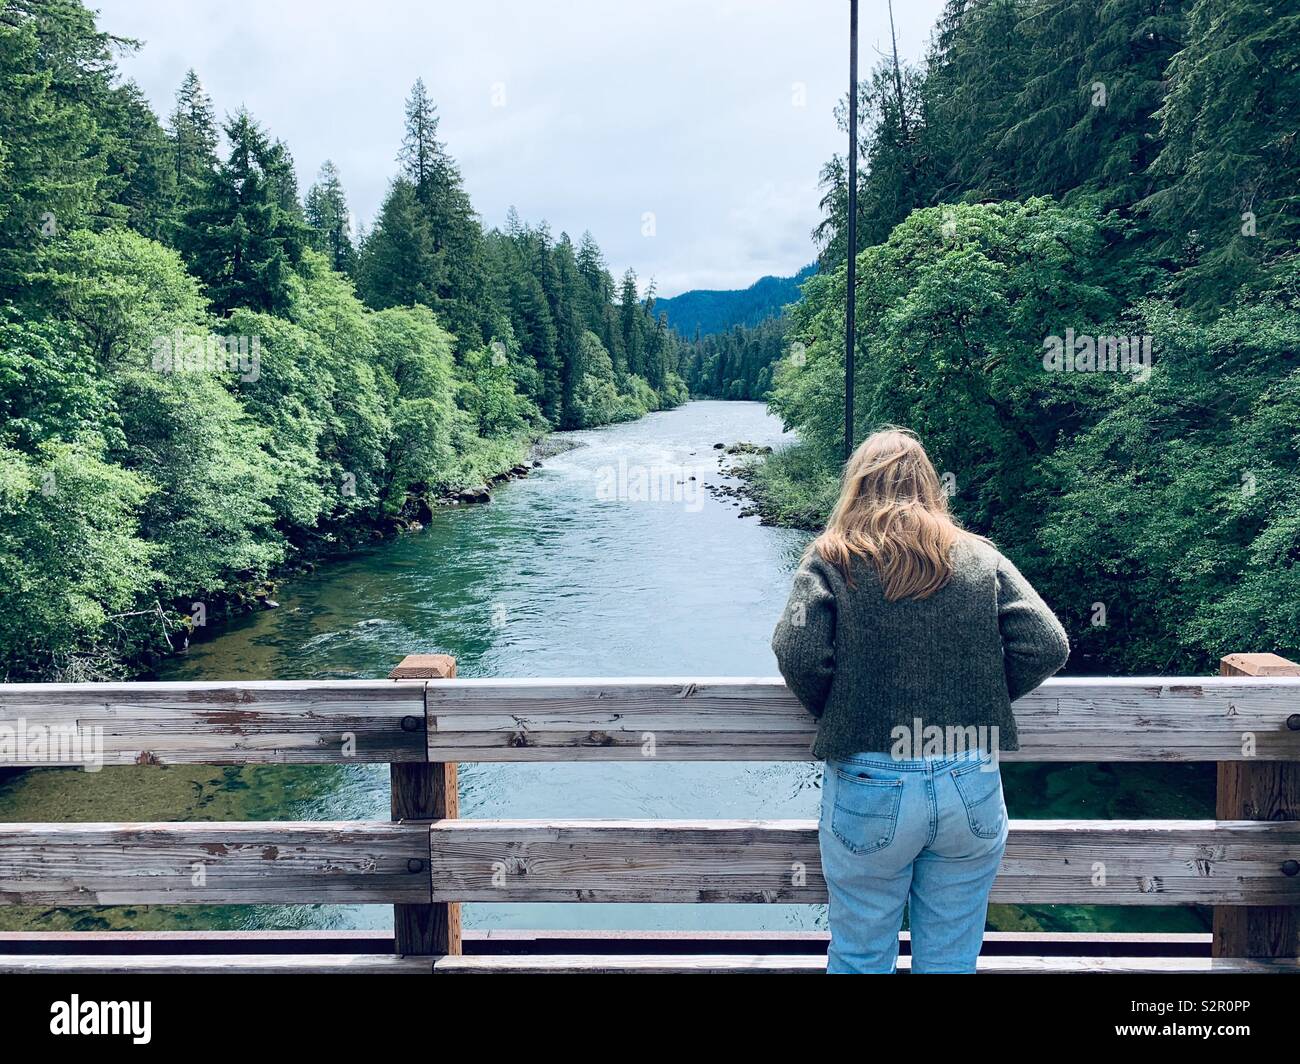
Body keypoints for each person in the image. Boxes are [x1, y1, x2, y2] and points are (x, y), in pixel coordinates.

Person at [771, 427, 1069, 974]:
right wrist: (980, 699)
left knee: (861, 956)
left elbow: (796, 649)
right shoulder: (979, 557)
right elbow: (1047, 643)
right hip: (968, 780)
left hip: (870, 782)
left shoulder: (831, 558)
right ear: (931, 486)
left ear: (856, 488)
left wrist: (845, 708)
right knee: (951, 961)